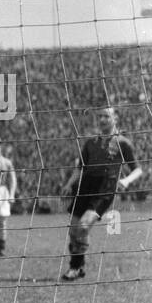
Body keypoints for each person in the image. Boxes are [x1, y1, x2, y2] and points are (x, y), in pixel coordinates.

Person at [60, 106, 141, 281]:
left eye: (106, 116)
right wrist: (68, 185)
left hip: (104, 189)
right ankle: (80, 266)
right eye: (100, 117)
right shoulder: (90, 142)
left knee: (82, 227)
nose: (102, 119)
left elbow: (138, 169)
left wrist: (126, 181)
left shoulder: (123, 143)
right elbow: (80, 168)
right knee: (74, 231)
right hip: (84, 187)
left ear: (115, 119)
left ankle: (73, 268)